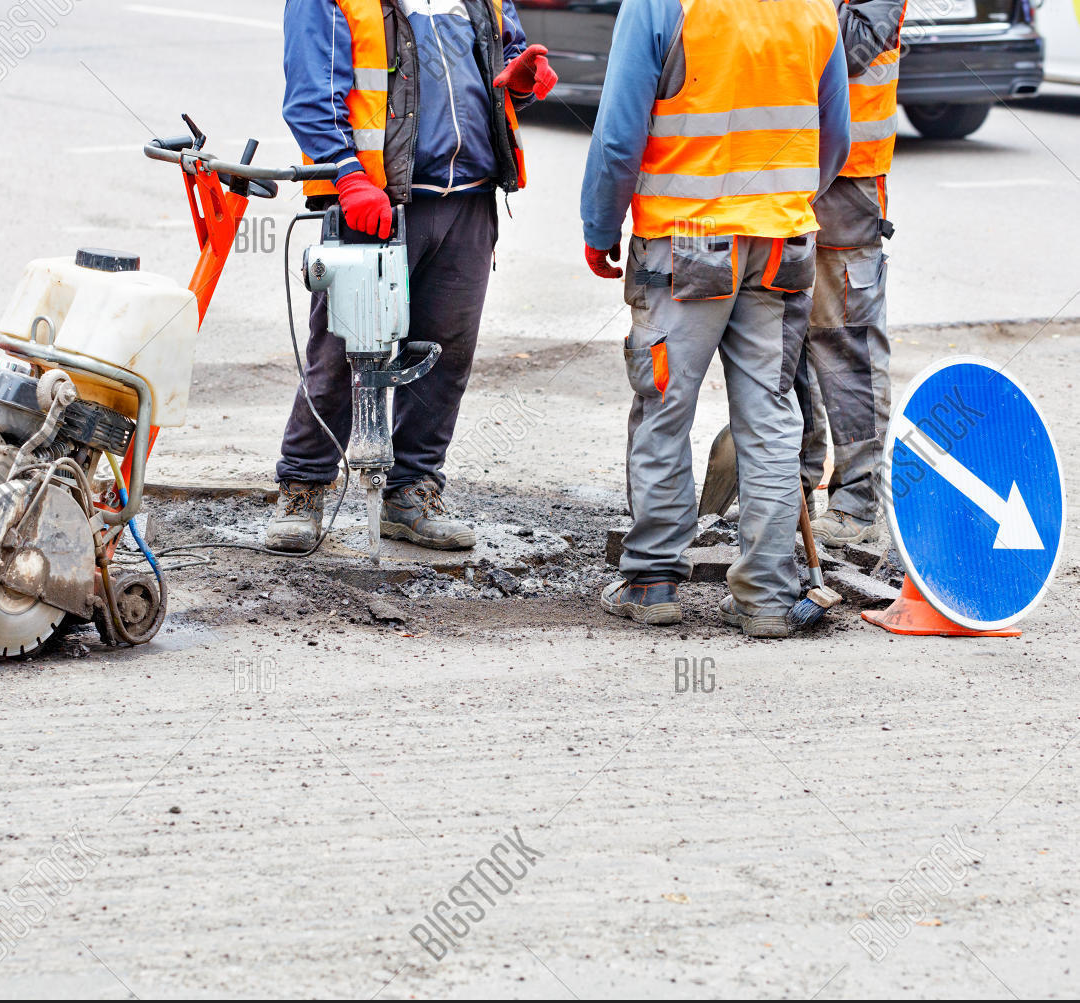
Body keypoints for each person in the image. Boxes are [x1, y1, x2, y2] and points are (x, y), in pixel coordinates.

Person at [582, 0, 851, 638]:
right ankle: (766, 596)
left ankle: (651, 580)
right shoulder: (813, 8)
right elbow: (835, 135)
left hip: (686, 239)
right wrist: (780, 204)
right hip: (780, 241)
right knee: (771, 413)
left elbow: (620, 135)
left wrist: (599, 224)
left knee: (665, 406)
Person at [267, 0, 556, 552]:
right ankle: (303, 484)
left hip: (468, 200)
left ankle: (411, 490)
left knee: (444, 353)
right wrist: (347, 176)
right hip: (375, 203)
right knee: (341, 349)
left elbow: (507, 61)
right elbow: (311, 95)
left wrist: (521, 79)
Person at [798, 1, 908, 547]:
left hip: (847, 179)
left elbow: (860, 44)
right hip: (777, 166)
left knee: (847, 342)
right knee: (777, 335)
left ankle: (858, 502)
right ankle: (787, 490)